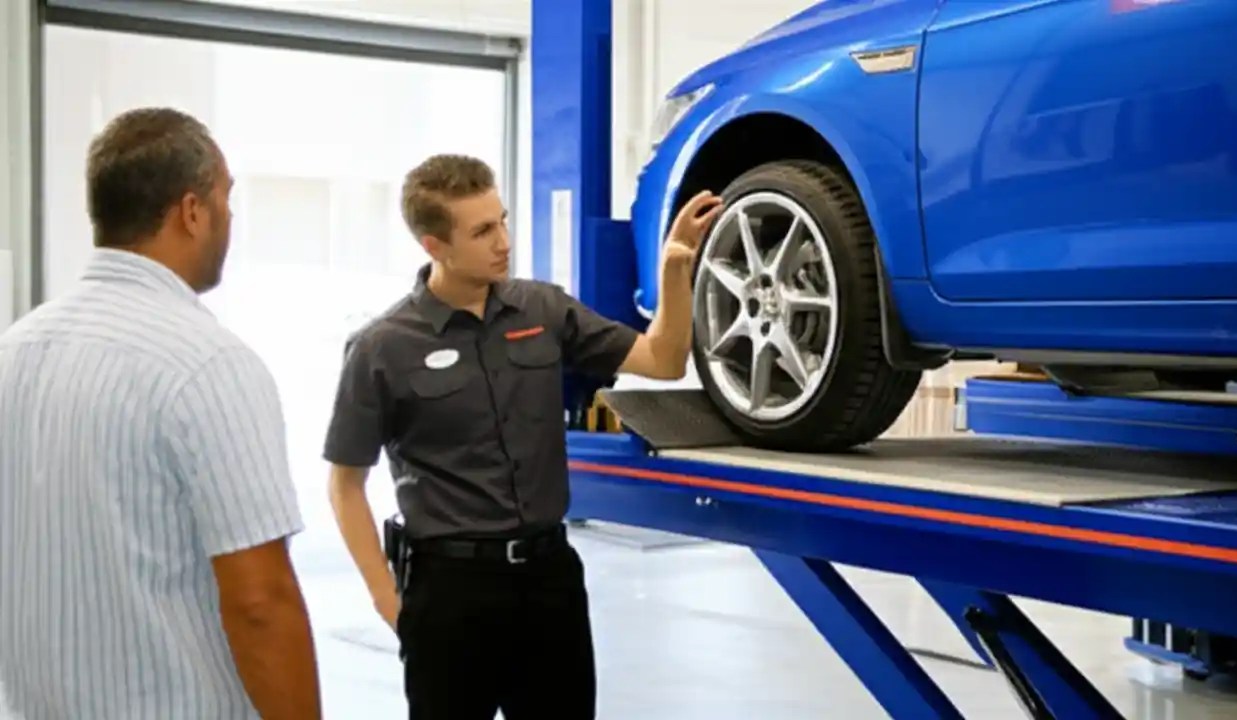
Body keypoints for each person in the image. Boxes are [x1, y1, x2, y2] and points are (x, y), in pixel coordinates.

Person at [324, 154, 722, 718]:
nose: (503, 241)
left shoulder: (543, 308)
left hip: (548, 582)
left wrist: (675, 266)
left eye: (502, 220)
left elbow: (662, 358)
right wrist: (387, 599)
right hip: (450, 592)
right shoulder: (382, 348)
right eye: (482, 231)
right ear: (434, 245)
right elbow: (345, 485)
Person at [0, 107, 322, 720]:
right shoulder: (208, 365)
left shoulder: (13, 352)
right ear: (192, 211)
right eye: (226, 199)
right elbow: (260, 602)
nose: (230, 218)